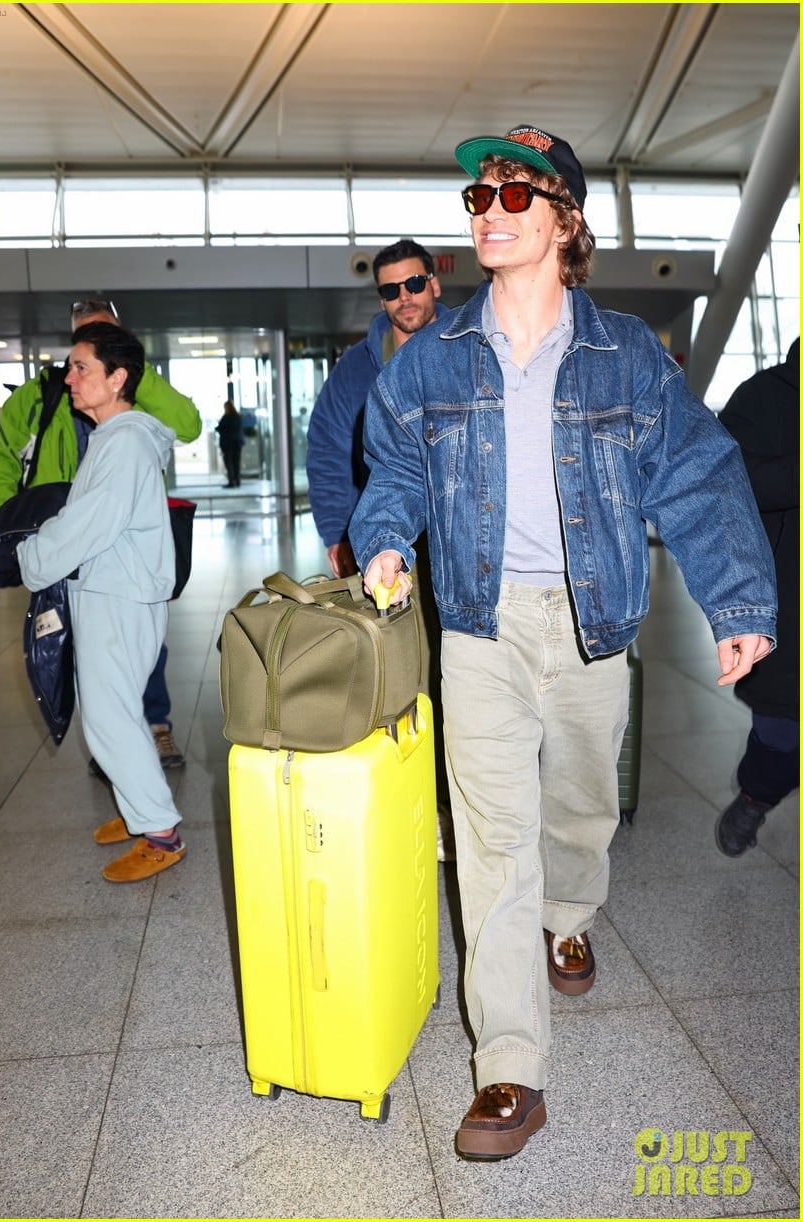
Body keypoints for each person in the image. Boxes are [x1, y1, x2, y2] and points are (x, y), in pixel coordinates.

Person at [348, 123, 777, 1161]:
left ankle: (572, 908)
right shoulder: (433, 356)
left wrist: (738, 602)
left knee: (580, 804)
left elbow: (697, 472)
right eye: (477, 198)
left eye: (511, 196)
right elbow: (394, 466)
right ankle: (508, 1065)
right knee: (491, 842)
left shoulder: (624, 353)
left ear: (564, 220)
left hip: (594, 621)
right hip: (480, 625)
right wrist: (382, 540)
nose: (487, 213)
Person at [0, 298, 202, 770]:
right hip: (66, 544)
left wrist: (133, 377)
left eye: (105, 336)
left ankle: (153, 728)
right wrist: (5, 515)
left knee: (136, 650)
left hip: (119, 551)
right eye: (84, 340)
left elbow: (188, 425)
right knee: (81, 653)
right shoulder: (47, 392)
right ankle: (115, 748)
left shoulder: (132, 396)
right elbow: (0, 449)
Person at [16, 323, 186, 883]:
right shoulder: (113, 439)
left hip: (120, 594)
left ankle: (160, 833)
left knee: (111, 716)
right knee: (113, 711)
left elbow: (87, 526)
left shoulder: (126, 443)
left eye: (81, 367)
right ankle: (141, 811)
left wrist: (28, 557)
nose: (69, 378)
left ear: (117, 379)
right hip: (113, 590)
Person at [305, 238, 453, 858]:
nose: (403, 299)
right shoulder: (359, 368)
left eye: (413, 284)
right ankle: (406, 795)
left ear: (435, 284)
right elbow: (327, 447)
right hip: (385, 545)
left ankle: (453, 802)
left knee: (456, 675)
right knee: (398, 668)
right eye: (389, 290)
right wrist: (340, 533)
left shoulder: (467, 346)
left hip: (456, 542)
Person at [714, 338, 799, 856]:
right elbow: (730, 479)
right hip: (788, 602)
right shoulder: (764, 396)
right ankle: (755, 796)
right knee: (781, 734)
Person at [216, 398, 245, 487]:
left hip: (228, 444)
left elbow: (220, 428)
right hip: (237, 443)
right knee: (236, 463)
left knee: (229, 463)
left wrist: (218, 428)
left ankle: (232, 482)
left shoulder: (226, 417)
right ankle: (237, 481)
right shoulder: (238, 417)